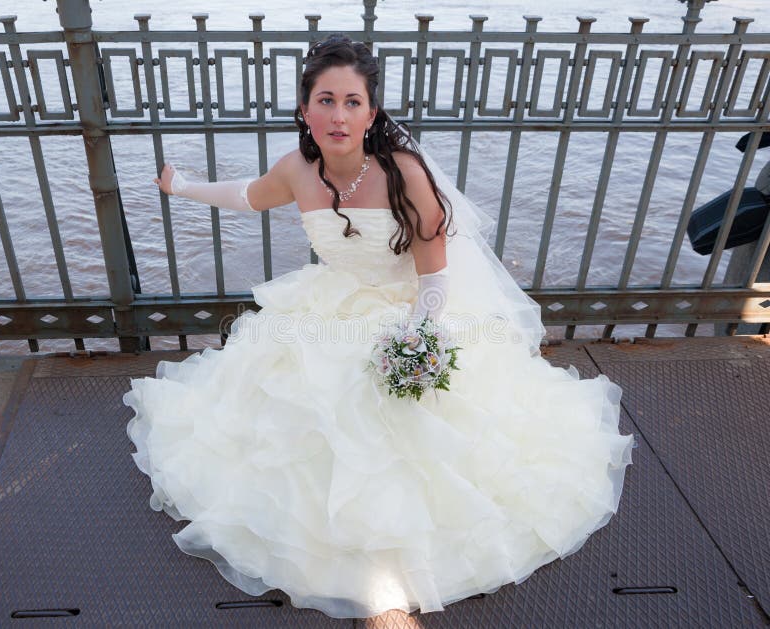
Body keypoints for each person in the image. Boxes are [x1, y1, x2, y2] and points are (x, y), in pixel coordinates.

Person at [124, 34, 635, 619]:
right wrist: (181, 186)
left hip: (410, 308)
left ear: (371, 114)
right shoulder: (296, 168)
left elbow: (434, 278)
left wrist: (413, 342)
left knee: (388, 409)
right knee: (291, 396)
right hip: (331, 303)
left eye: (352, 102)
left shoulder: (405, 174)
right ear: (304, 109)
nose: (338, 116)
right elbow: (248, 195)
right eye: (325, 100)